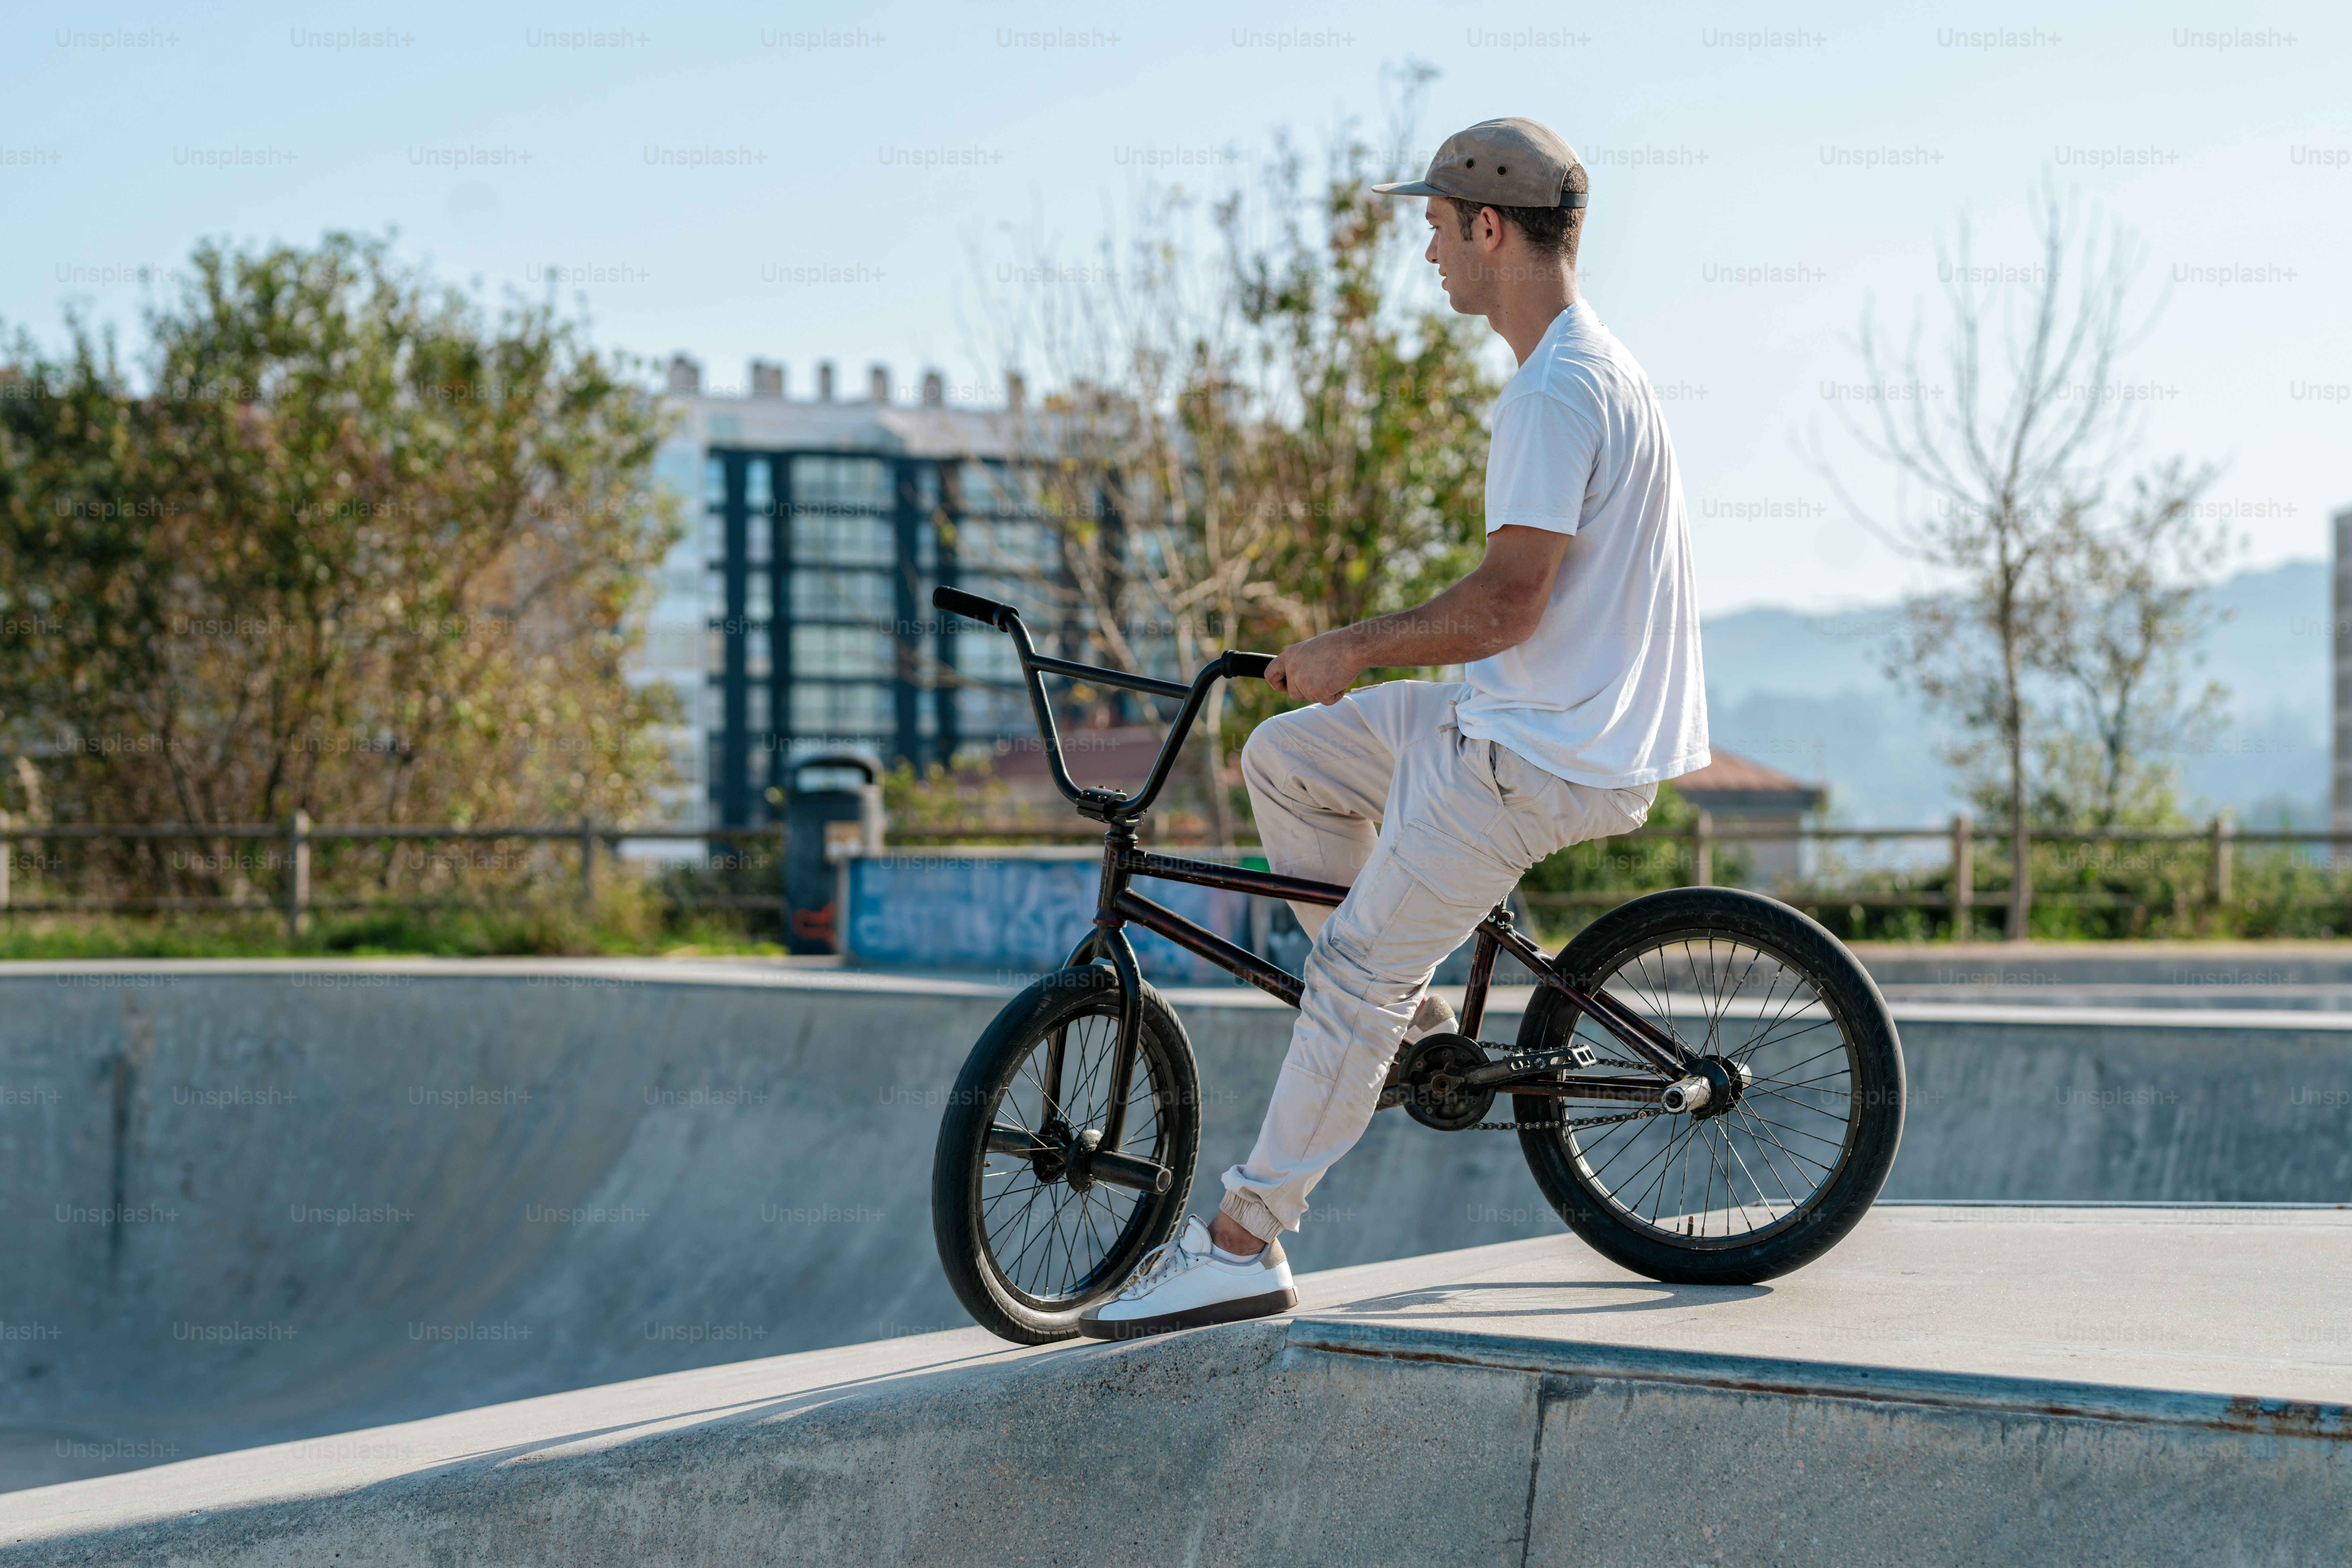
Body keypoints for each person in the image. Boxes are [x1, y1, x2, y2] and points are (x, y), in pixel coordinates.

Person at [1080, 117, 1710, 1339]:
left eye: (1435, 226)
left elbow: (1507, 604)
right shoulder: (1592, 365)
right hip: (1524, 714)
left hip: (1541, 752)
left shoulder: (1555, 392)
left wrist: (1353, 646)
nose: (1428, 251)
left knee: (1353, 971)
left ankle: (1244, 1244)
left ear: (1490, 227)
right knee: (1289, 759)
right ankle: (1413, 1029)